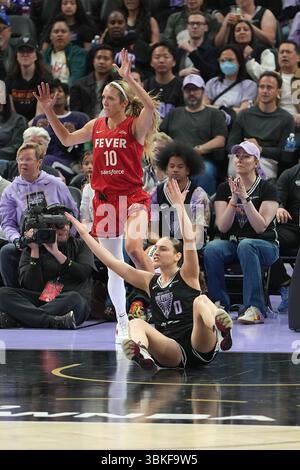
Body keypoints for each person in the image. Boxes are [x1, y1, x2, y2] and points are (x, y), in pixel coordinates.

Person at [33, 48, 160, 343]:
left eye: (111, 97)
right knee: (113, 266)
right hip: (105, 202)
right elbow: (65, 139)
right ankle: (122, 321)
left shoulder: (135, 126)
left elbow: (150, 108)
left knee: (133, 246)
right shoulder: (96, 126)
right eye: (102, 97)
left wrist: (128, 77)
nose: (104, 101)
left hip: (133, 197)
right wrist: (48, 109)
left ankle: (163, 292)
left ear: (124, 103)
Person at [65, 179, 233, 370]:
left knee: (200, 301)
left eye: (163, 249)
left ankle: (220, 331)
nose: (156, 251)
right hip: (172, 351)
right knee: (135, 322)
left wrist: (179, 206)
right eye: (156, 248)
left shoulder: (188, 273)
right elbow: (112, 262)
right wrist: (84, 233)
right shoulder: (149, 280)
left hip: (200, 344)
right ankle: (141, 352)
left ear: (178, 256)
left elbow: (189, 240)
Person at [203, 141, 279, 324]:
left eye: (246, 156)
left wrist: (245, 199)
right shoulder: (224, 189)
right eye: (237, 156)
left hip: (265, 246)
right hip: (234, 244)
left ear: (256, 162)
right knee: (212, 248)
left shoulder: (268, 189)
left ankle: (255, 308)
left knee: (247, 245)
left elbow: (260, 227)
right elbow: (222, 227)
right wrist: (234, 198)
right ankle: (220, 305)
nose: (240, 160)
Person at [0, 205, 95, 329]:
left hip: (67, 299)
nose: (62, 229)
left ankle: (19, 319)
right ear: (47, 227)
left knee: (75, 299)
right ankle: (51, 321)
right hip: (41, 298)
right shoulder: (33, 247)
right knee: (2, 293)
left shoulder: (81, 245)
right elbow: (31, 286)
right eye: (56, 225)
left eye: (64, 225)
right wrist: (35, 251)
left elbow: (83, 273)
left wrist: (56, 253)